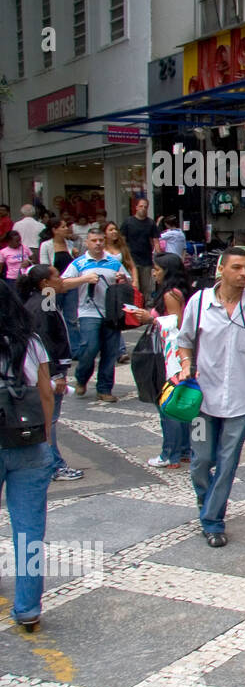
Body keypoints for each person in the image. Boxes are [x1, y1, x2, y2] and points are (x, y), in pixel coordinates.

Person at [176, 247, 245, 548]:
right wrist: (185, 365)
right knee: (200, 460)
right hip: (200, 402)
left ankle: (212, 520)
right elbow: (184, 342)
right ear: (220, 270)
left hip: (238, 402)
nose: (243, 274)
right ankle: (206, 502)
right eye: (236, 267)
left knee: (227, 462)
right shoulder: (198, 304)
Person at [0, 280, 57, 631]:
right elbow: (46, 394)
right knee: (29, 530)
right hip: (29, 441)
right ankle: (28, 608)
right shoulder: (31, 342)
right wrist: (46, 438)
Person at [125, 254, 194, 469]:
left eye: (156, 269)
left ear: (166, 271)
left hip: (170, 356)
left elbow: (177, 324)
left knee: (168, 404)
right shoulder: (176, 292)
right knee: (176, 403)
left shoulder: (170, 295)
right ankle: (183, 450)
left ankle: (170, 453)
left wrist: (150, 318)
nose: (153, 272)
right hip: (174, 355)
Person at [20, 267, 82, 481]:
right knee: (50, 419)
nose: (61, 279)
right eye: (56, 276)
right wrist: (55, 374)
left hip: (47, 368)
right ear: (45, 282)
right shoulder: (44, 303)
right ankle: (53, 465)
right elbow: (46, 339)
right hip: (49, 370)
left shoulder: (43, 301)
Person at [61, 226, 130, 402]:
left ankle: (105, 388)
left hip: (111, 313)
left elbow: (128, 282)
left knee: (110, 351)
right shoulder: (79, 263)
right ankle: (82, 377)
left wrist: (122, 280)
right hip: (88, 311)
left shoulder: (114, 262)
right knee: (89, 347)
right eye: (94, 241)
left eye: (100, 240)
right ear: (87, 243)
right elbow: (63, 283)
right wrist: (84, 279)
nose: (98, 244)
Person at [39, 219, 82, 360]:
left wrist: (76, 254)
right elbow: (44, 267)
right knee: (49, 316)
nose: (66, 229)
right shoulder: (46, 245)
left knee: (72, 319)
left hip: (68, 284)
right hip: (51, 287)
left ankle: (75, 349)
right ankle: (51, 349)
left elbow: (77, 264)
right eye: (63, 227)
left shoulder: (70, 244)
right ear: (54, 229)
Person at [101, 221, 139, 364]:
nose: (114, 232)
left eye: (115, 229)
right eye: (110, 230)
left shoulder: (122, 248)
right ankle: (116, 348)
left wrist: (134, 281)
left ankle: (121, 350)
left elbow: (131, 265)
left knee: (117, 316)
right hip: (104, 288)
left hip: (119, 288)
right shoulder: (101, 250)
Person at [121, 199, 161, 301]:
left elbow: (156, 241)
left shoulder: (151, 223)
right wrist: (124, 257)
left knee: (146, 288)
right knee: (133, 286)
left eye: (145, 207)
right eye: (141, 206)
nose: (143, 209)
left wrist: (160, 258)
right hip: (131, 259)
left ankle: (144, 308)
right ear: (136, 207)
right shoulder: (128, 222)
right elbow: (123, 241)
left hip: (146, 260)